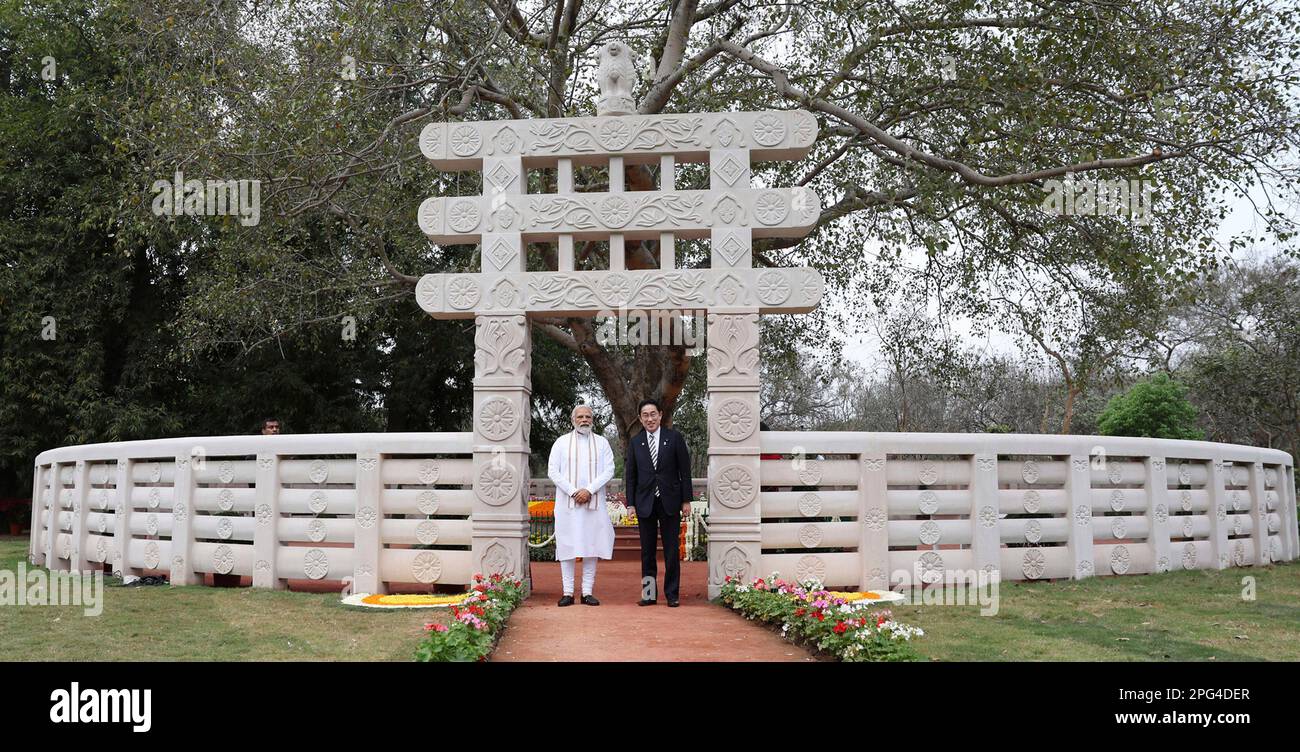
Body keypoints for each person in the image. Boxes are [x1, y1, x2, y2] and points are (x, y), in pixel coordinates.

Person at [624, 399, 693, 607]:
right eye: (645, 415)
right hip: (645, 502)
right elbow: (630, 476)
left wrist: (686, 500)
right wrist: (630, 504)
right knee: (647, 551)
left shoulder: (674, 438)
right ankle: (649, 594)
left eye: (653, 414)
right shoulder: (636, 442)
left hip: (670, 501)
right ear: (640, 419)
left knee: (671, 550)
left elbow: (685, 471)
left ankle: (672, 594)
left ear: (660, 415)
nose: (650, 419)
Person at [546, 404, 616, 607]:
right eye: (580, 417)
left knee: (591, 545)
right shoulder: (561, 442)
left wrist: (589, 490)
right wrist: (574, 491)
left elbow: (609, 469)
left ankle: (587, 592)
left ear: (592, 419)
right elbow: (553, 471)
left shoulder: (602, 443)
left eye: (588, 416)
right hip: (568, 504)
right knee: (567, 545)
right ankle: (567, 592)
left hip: (593, 503)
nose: (584, 420)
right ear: (572, 420)